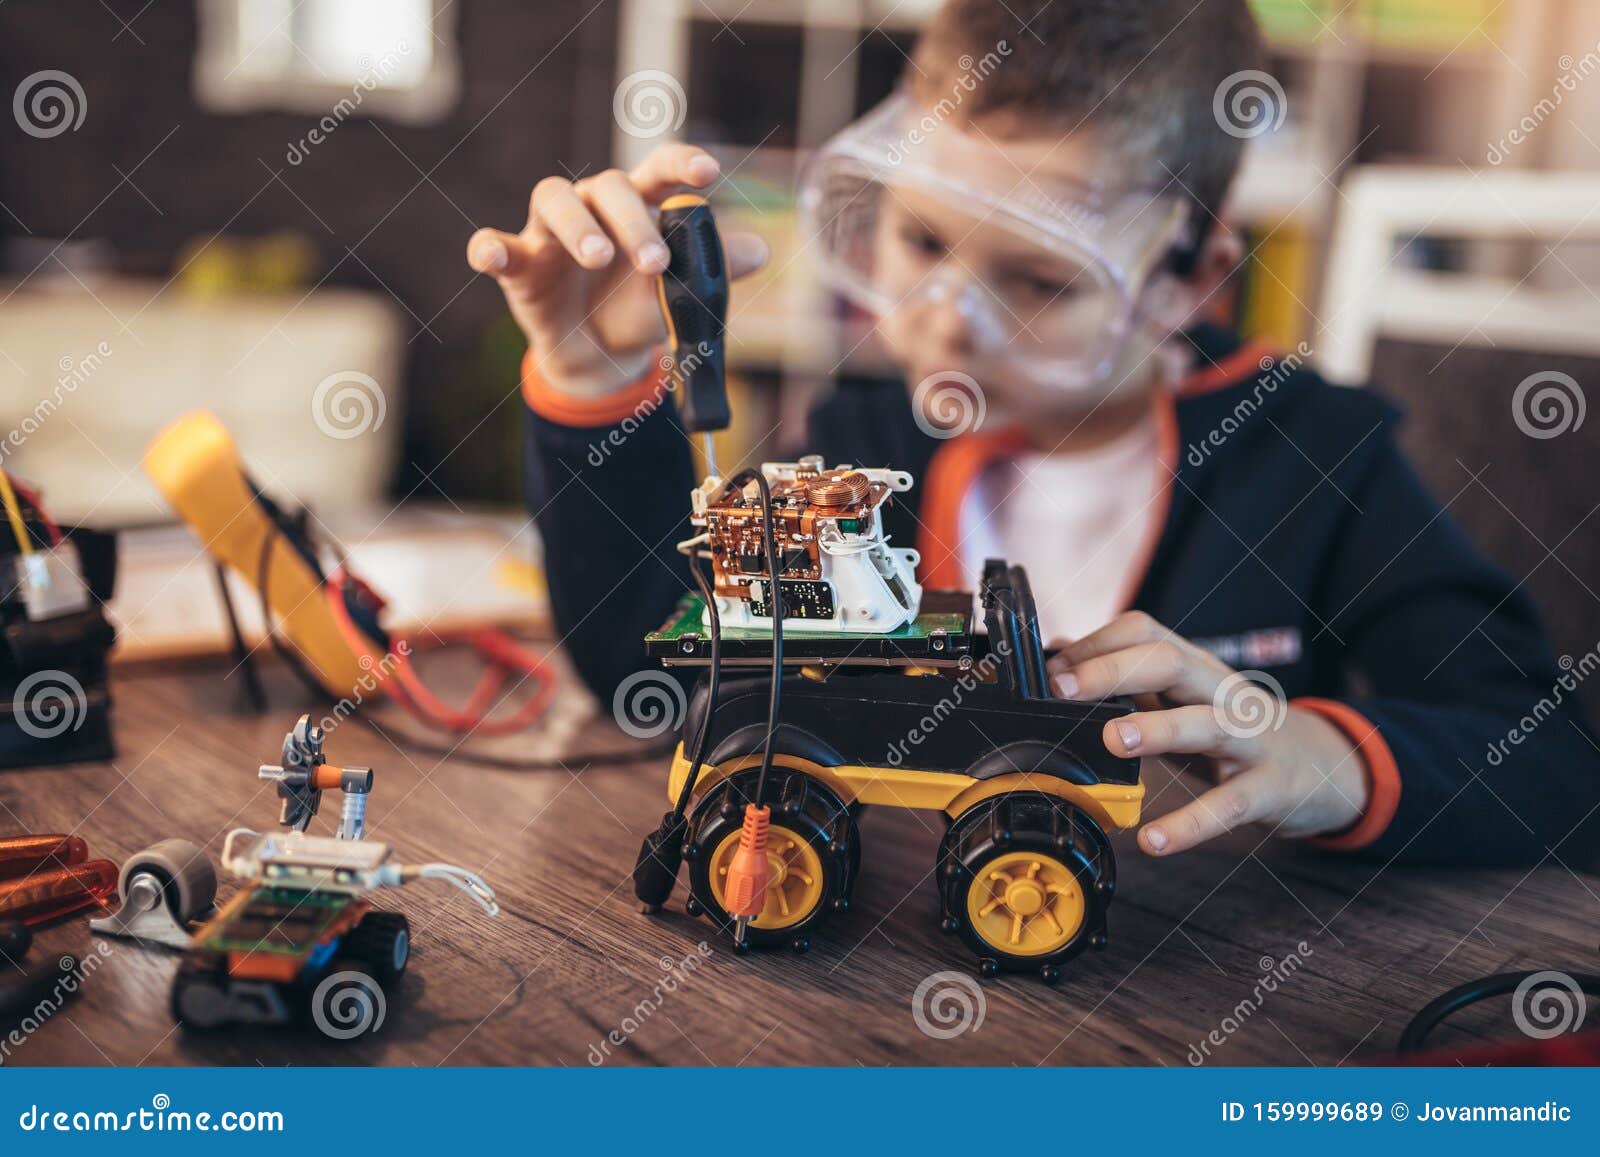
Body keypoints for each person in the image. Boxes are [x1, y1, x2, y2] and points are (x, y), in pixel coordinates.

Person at [467, 0, 1598, 866]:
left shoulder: (1311, 457)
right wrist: (596, 376)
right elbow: (645, 674)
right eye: (918, 240)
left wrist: (1326, 756)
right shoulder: (862, 446)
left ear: (1187, 280)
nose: (944, 321)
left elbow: (1553, 757)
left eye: (1038, 280)